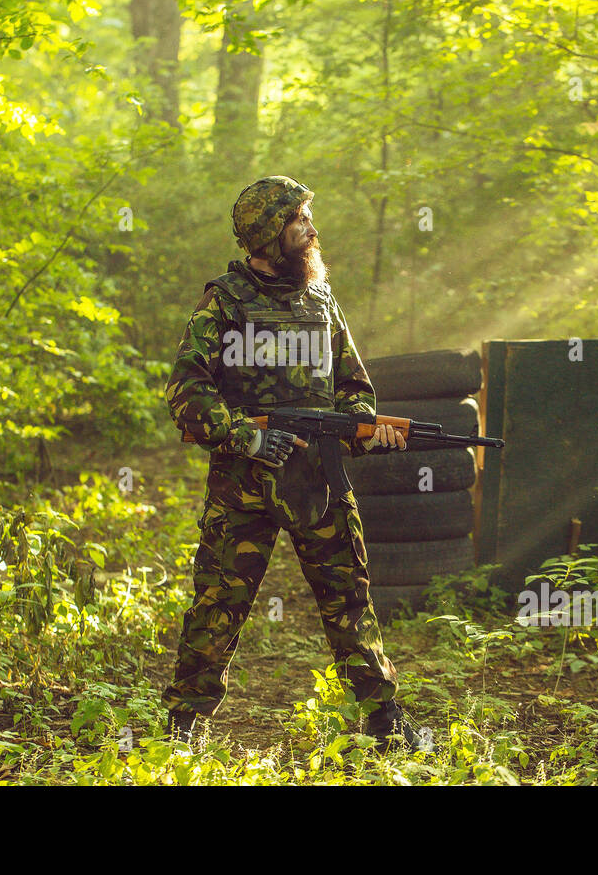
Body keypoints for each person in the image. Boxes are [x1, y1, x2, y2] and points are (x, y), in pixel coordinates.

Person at [162, 174, 425, 752]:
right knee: (218, 603)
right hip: (243, 486)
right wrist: (244, 438)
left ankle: (385, 724)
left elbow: (354, 389)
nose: (310, 230)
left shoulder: (322, 301)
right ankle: (183, 727)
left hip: (319, 482)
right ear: (266, 234)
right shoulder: (225, 303)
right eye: (298, 220)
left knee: (350, 601)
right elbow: (186, 391)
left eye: (307, 217)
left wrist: (363, 430)